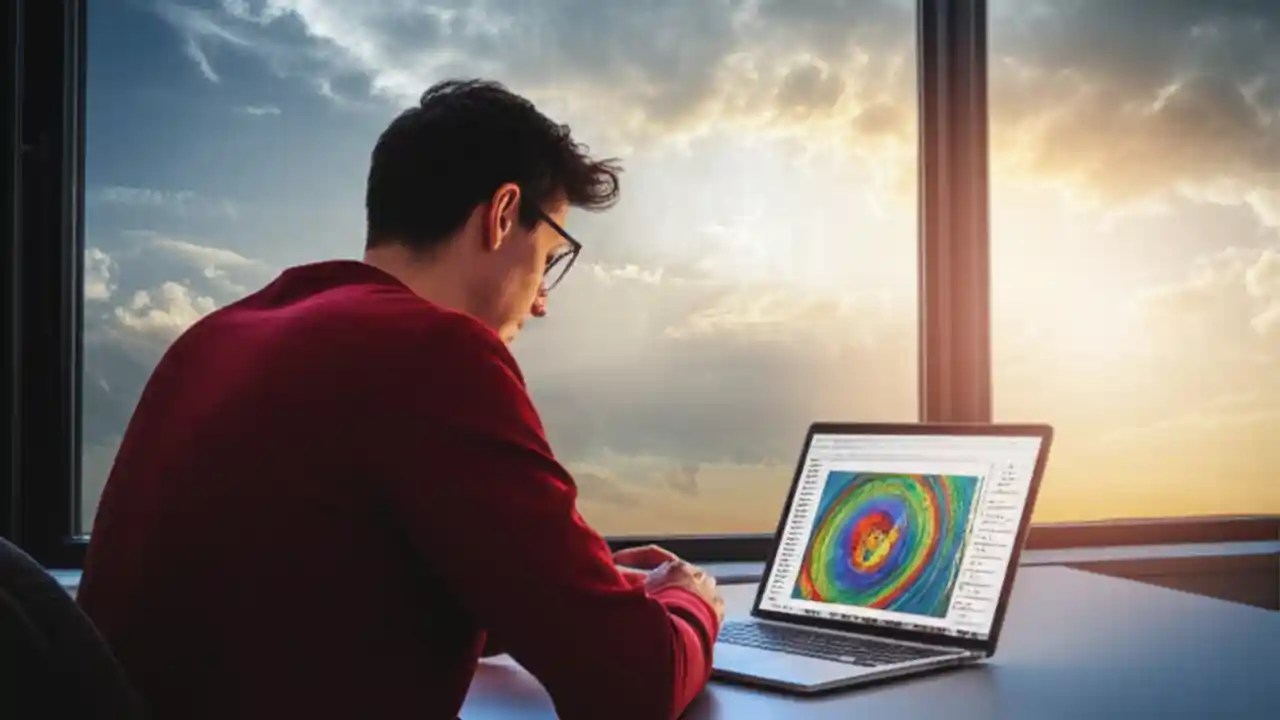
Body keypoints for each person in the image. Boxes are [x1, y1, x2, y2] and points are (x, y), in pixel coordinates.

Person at [77, 79, 724, 720]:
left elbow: (324, 591)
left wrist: (570, 580)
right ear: (502, 215)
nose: (543, 300)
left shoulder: (219, 337)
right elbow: (631, 685)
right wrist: (690, 601)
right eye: (551, 258)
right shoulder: (436, 353)